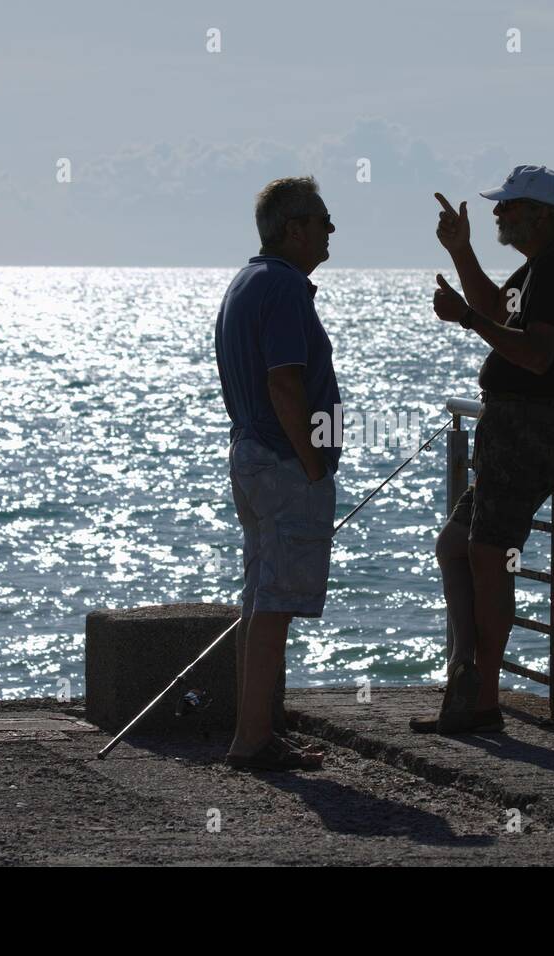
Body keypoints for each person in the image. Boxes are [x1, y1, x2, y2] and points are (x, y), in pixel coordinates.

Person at [413, 164, 554, 734]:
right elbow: (501, 311)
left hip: (530, 426)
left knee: (488, 552)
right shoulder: (542, 265)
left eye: (509, 206)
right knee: (458, 546)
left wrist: (468, 319)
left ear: (541, 214)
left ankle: (480, 699)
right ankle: (469, 681)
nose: (498, 213)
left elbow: (538, 355)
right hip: (511, 425)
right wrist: (462, 252)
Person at [214, 176, 339, 770]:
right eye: (321, 220)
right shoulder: (286, 289)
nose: (330, 230)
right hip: (284, 463)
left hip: (251, 454)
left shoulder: (246, 282)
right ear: (294, 228)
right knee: (273, 606)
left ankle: (255, 731)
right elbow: (285, 383)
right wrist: (312, 462)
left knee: (260, 599)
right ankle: (252, 739)